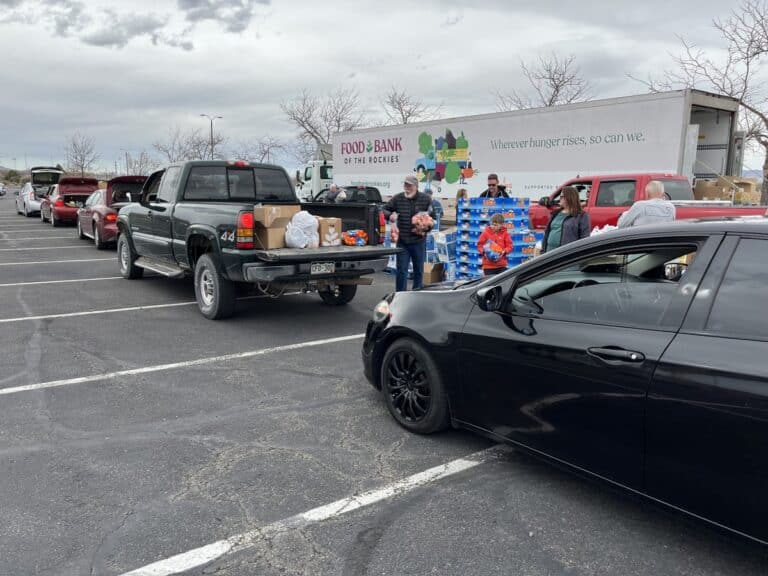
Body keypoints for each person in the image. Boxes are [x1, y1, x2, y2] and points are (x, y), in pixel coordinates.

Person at [383, 175, 435, 291]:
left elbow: (433, 217)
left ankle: (416, 295)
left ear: (416, 186)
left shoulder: (425, 199)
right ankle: (400, 296)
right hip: (403, 242)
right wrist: (390, 215)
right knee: (401, 270)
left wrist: (425, 228)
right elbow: (384, 209)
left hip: (418, 242)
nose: (407, 188)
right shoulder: (398, 198)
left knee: (418, 271)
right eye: (405, 185)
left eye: (409, 186)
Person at [542, 186, 590, 253]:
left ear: (569, 198)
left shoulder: (581, 216)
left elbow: (584, 239)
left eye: (562, 197)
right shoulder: (555, 213)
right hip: (549, 254)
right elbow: (547, 234)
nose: (560, 199)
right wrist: (543, 251)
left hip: (566, 256)